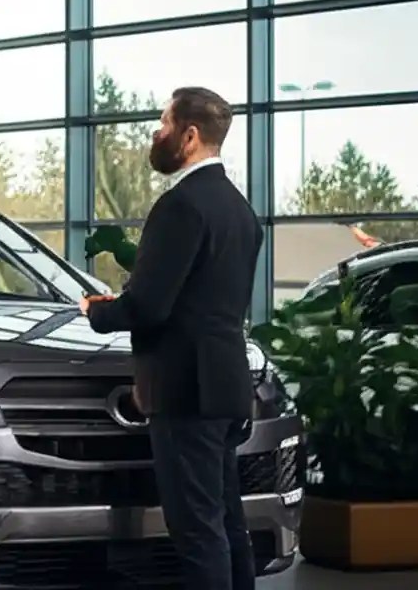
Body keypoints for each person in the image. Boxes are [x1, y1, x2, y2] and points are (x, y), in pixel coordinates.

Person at [80, 87, 262, 590]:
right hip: (226, 385)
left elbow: (149, 306)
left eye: (163, 124)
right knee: (227, 524)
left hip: (184, 391)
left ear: (190, 134)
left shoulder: (181, 206)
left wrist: (98, 312)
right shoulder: (240, 211)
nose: (155, 134)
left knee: (196, 531)